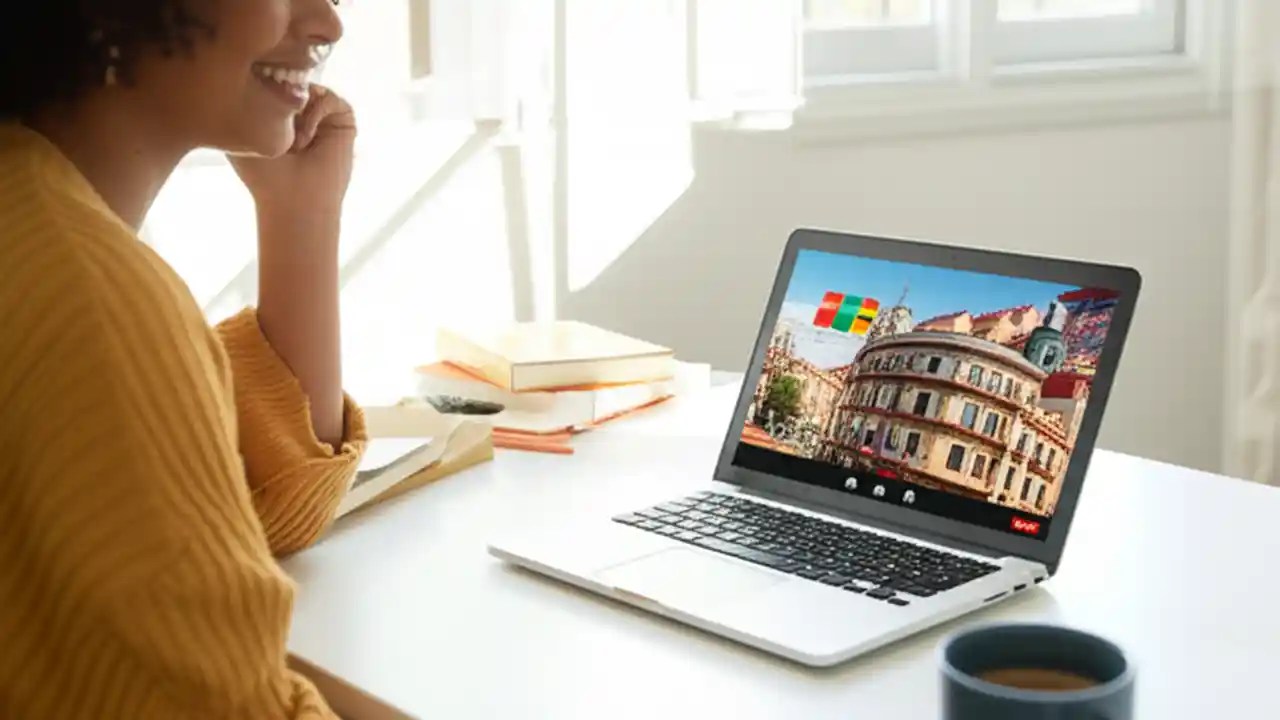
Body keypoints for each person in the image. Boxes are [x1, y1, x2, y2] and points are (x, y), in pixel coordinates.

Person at [0, 1, 369, 718]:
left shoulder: (31, 211)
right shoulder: (88, 291)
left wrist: (301, 216)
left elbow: (257, 504)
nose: (327, 22)